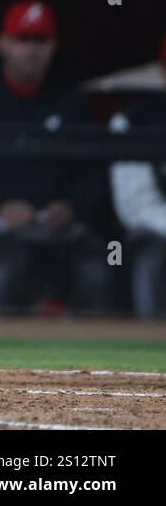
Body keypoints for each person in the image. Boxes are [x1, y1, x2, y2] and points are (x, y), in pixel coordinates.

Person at [0, 0, 112, 313]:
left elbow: (91, 169)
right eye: (23, 40)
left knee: (96, 270)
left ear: (53, 46)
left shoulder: (71, 99)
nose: (32, 50)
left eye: (40, 41)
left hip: (56, 223)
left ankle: (89, 358)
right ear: (3, 44)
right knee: (3, 269)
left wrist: (72, 205)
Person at [108, 32, 166, 318]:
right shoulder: (133, 121)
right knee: (151, 255)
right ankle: (151, 343)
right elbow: (136, 207)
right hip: (156, 230)